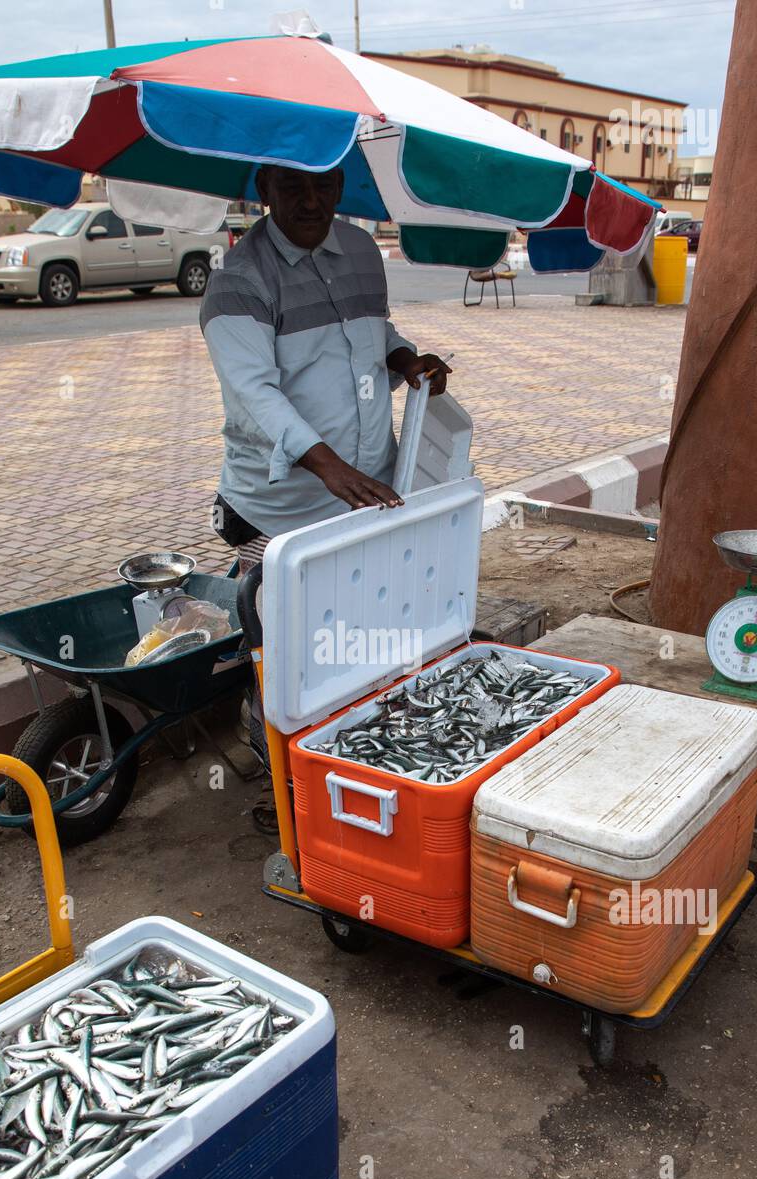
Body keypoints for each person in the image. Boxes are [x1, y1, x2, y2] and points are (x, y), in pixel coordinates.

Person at [200, 163, 452, 830]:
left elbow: (376, 333)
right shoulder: (237, 284)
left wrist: (405, 360)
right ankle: (279, 777)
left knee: (356, 632)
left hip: (366, 489)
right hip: (281, 503)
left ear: (341, 187)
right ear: (262, 191)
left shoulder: (363, 251)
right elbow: (254, 395)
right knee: (283, 647)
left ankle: (346, 756)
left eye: (324, 186)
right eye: (291, 188)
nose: (311, 201)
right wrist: (324, 465)